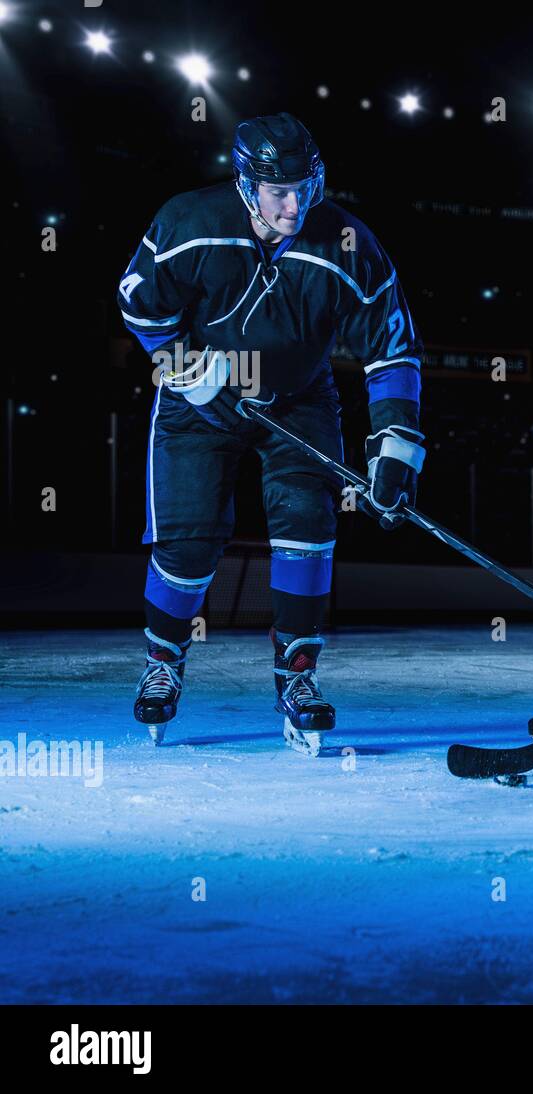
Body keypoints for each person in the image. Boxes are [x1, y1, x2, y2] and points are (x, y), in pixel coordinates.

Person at [117, 112, 424, 753]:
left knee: (308, 531)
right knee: (188, 543)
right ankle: (164, 659)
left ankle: (297, 674)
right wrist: (184, 368)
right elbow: (140, 306)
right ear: (245, 183)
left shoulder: (348, 243)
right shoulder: (188, 223)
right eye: (277, 191)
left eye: (305, 186)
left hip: (297, 401)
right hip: (196, 402)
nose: (294, 204)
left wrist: (395, 446)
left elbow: (392, 349)